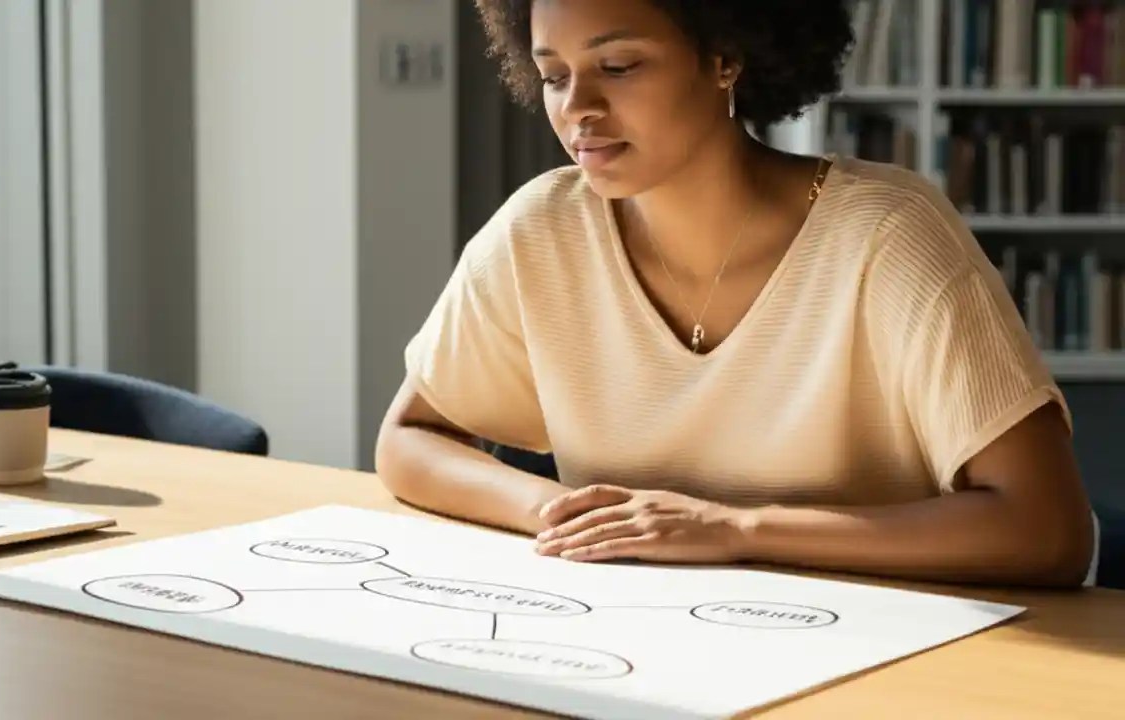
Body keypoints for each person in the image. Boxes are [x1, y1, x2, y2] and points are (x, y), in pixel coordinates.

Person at [375, 0, 1097, 588]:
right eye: (554, 75)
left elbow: (1048, 528)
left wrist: (730, 529)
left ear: (726, 56)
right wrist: (559, 511)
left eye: (618, 66)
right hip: (648, 651)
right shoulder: (542, 229)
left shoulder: (887, 237)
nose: (577, 109)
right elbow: (411, 438)